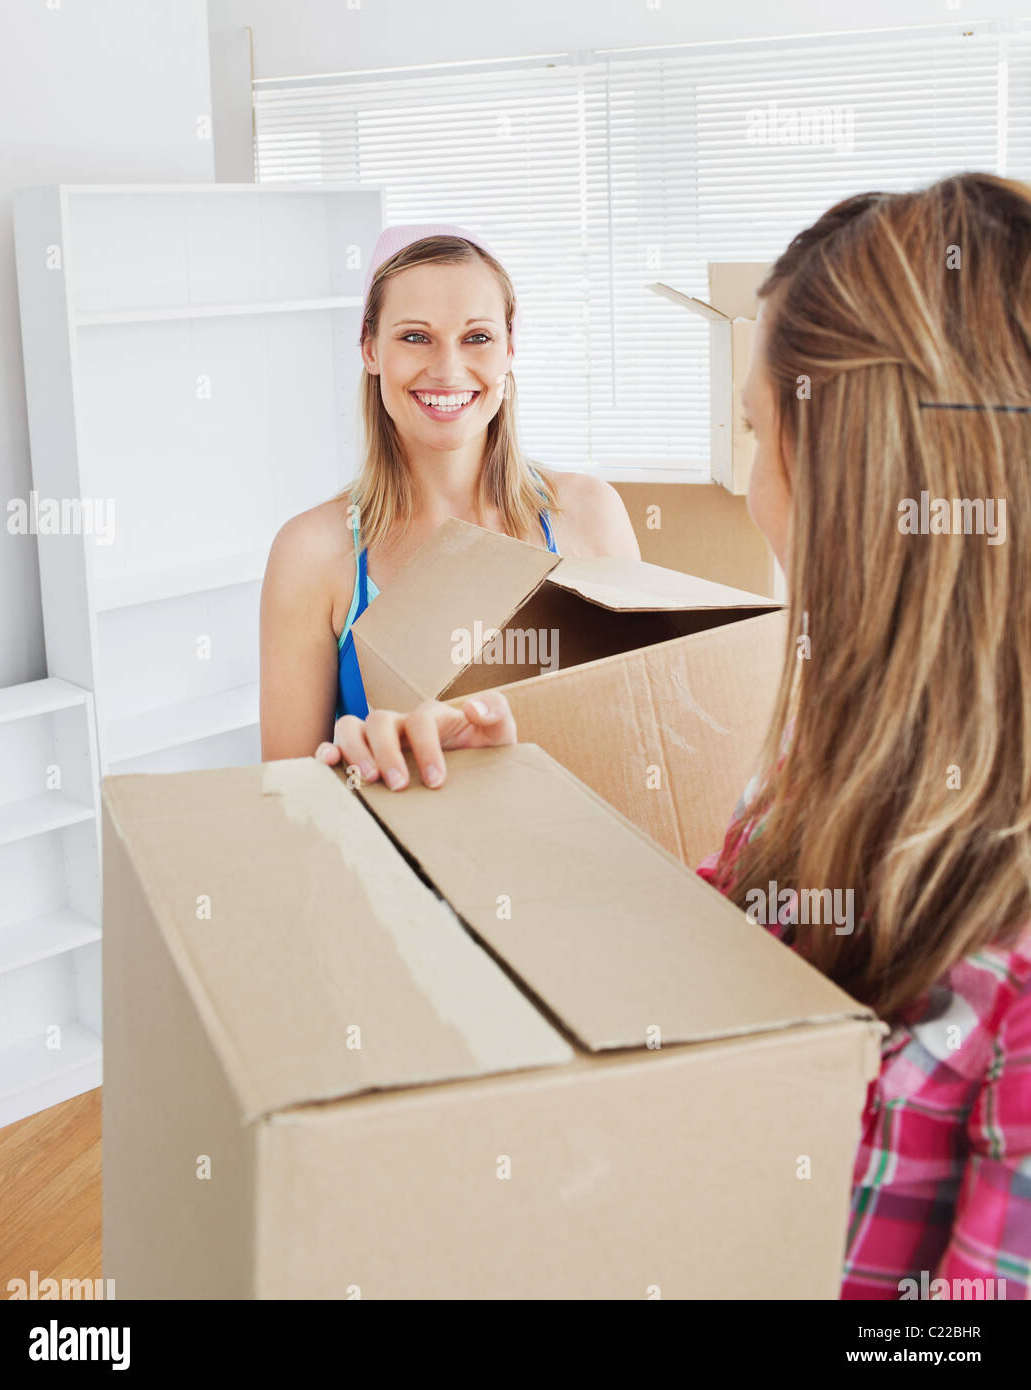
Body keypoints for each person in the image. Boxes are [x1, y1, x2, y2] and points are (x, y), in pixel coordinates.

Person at [319, 174, 1031, 1296]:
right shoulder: (817, 773)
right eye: (411, 335)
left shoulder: (1012, 990)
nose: (747, 489)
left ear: (864, 470)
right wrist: (499, 799)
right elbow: (701, 946)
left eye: (756, 434)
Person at [259, 223, 640, 761]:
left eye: (477, 337)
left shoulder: (590, 516)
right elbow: (289, 803)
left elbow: (644, 732)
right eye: (415, 336)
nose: (447, 369)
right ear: (369, 349)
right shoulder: (313, 553)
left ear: (510, 348)